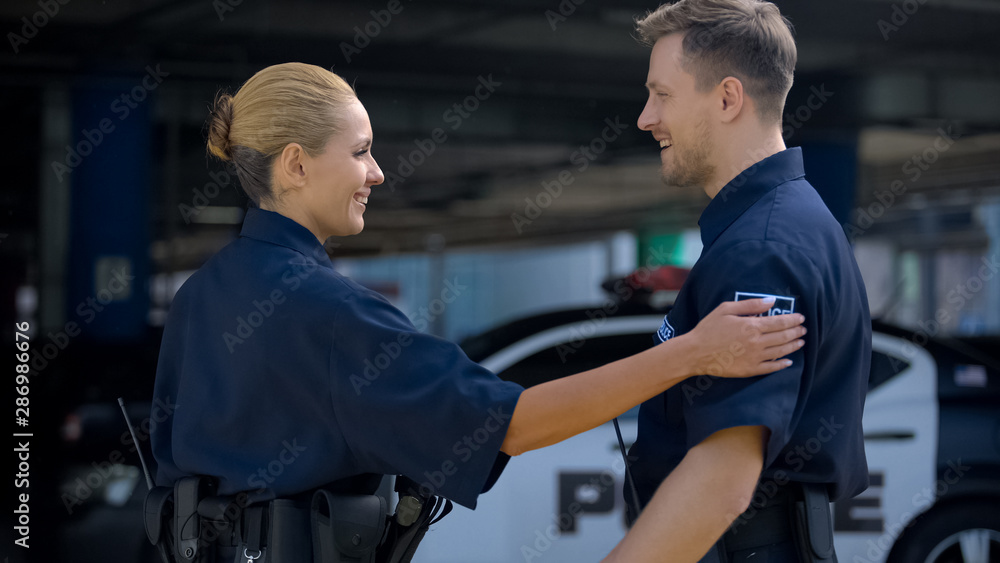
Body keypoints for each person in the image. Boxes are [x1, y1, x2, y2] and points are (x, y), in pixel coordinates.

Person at [149, 62, 806, 561]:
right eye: (358, 151)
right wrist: (690, 352)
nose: (376, 173)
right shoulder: (328, 311)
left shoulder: (201, 296)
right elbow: (511, 425)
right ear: (294, 164)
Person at [606, 1, 873, 562]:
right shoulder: (791, 221)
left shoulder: (761, 248)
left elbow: (722, 479)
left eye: (663, 95)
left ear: (727, 98)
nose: (645, 117)